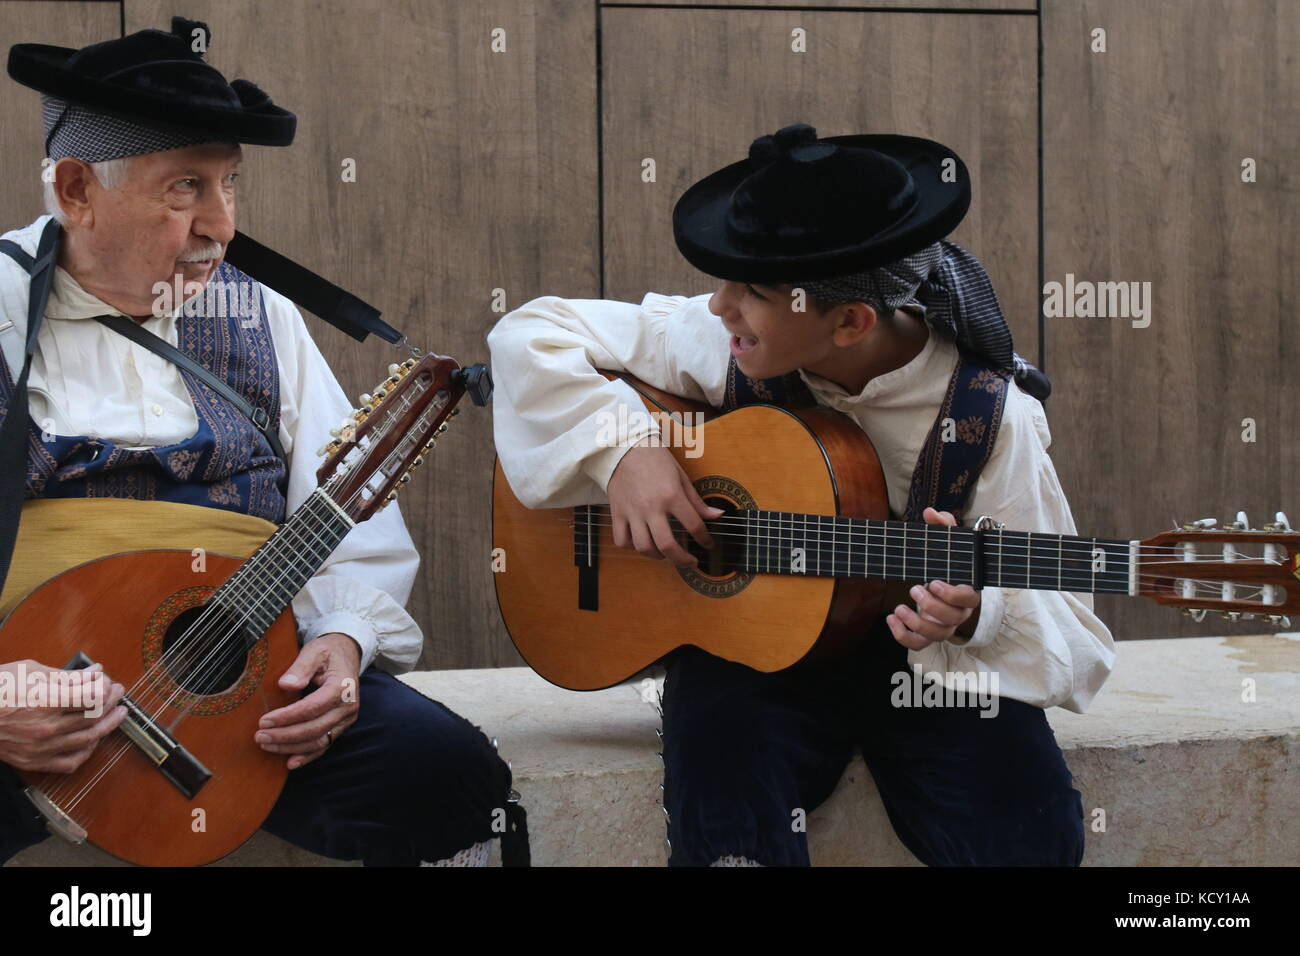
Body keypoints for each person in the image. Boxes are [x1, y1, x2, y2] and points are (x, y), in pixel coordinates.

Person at [488, 123, 1114, 866]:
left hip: (922, 668)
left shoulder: (985, 416)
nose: (719, 306)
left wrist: (980, 610)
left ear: (850, 321)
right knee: (726, 817)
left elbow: (1070, 622)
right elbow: (531, 335)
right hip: (754, 649)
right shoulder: (725, 340)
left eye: (751, 292)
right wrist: (624, 451)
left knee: (1029, 838)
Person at [0, 18, 525, 867]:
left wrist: (341, 643)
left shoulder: (260, 315)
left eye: (229, 184)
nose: (221, 226)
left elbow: (351, 530)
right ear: (74, 189)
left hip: (229, 684)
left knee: (446, 775)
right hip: (32, 697)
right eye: (184, 189)